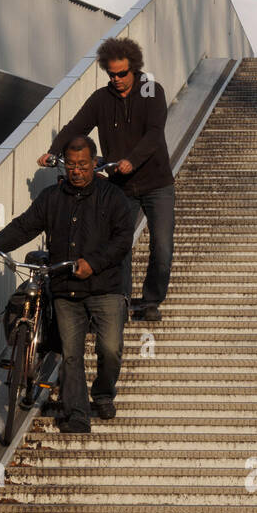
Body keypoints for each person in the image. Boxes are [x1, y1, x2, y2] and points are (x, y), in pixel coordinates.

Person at [0, 135, 136, 434]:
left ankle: (103, 394)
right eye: (71, 165)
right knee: (71, 354)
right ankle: (77, 415)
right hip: (66, 289)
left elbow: (122, 240)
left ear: (95, 163)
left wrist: (93, 262)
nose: (76, 171)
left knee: (111, 349)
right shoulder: (52, 197)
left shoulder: (112, 196)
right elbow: (25, 225)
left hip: (106, 287)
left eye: (83, 165)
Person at [41, 38, 174, 323]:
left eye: (122, 74)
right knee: (117, 245)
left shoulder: (152, 91)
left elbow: (154, 133)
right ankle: (120, 302)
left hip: (156, 183)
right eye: (111, 74)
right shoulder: (101, 99)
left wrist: (132, 160)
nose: (116, 79)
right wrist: (53, 152)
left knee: (162, 244)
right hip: (120, 186)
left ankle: (151, 301)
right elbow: (77, 127)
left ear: (134, 69)